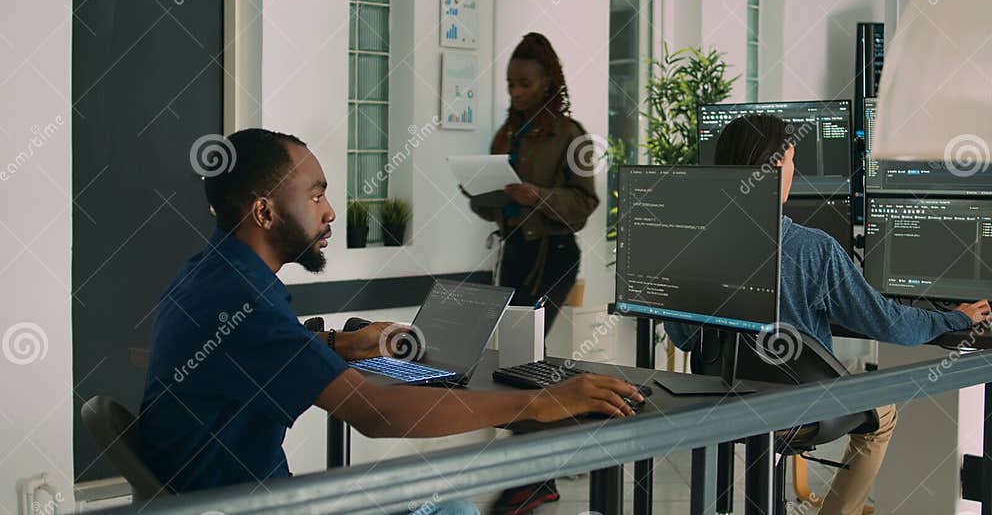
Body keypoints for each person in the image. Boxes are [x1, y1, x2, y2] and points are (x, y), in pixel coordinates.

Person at [138, 129, 643, 515]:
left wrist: (340, 344)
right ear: (265, 213)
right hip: (252, 505)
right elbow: (380, 415)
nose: (330, 211)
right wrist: (542, 401)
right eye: (315, 195)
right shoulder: (247, 304)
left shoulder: (211, 274)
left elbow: (254, 355)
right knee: (451, 509)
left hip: (232, 496)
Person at [663, 114, 991, 515]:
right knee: (882, 416)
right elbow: (890, 324)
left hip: (720, 402)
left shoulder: (693, 243)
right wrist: (956, 319)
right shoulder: (813, 250)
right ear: (776, 165)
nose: (794, 170)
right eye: (792, 159)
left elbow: (682, 337)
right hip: (793, 410)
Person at [465, 33, 598, 514]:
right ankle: (536, 476)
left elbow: (585, 205)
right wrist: (488, 196)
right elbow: (486, 203)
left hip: (555, 255)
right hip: (515, 254)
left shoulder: (572, 134)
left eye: (524, 84)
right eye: (510, 84)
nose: (515, 92)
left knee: (524, 364)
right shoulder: (506, 135)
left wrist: (537, 196)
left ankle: (534, 477)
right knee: (513, 363)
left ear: (547, 84)